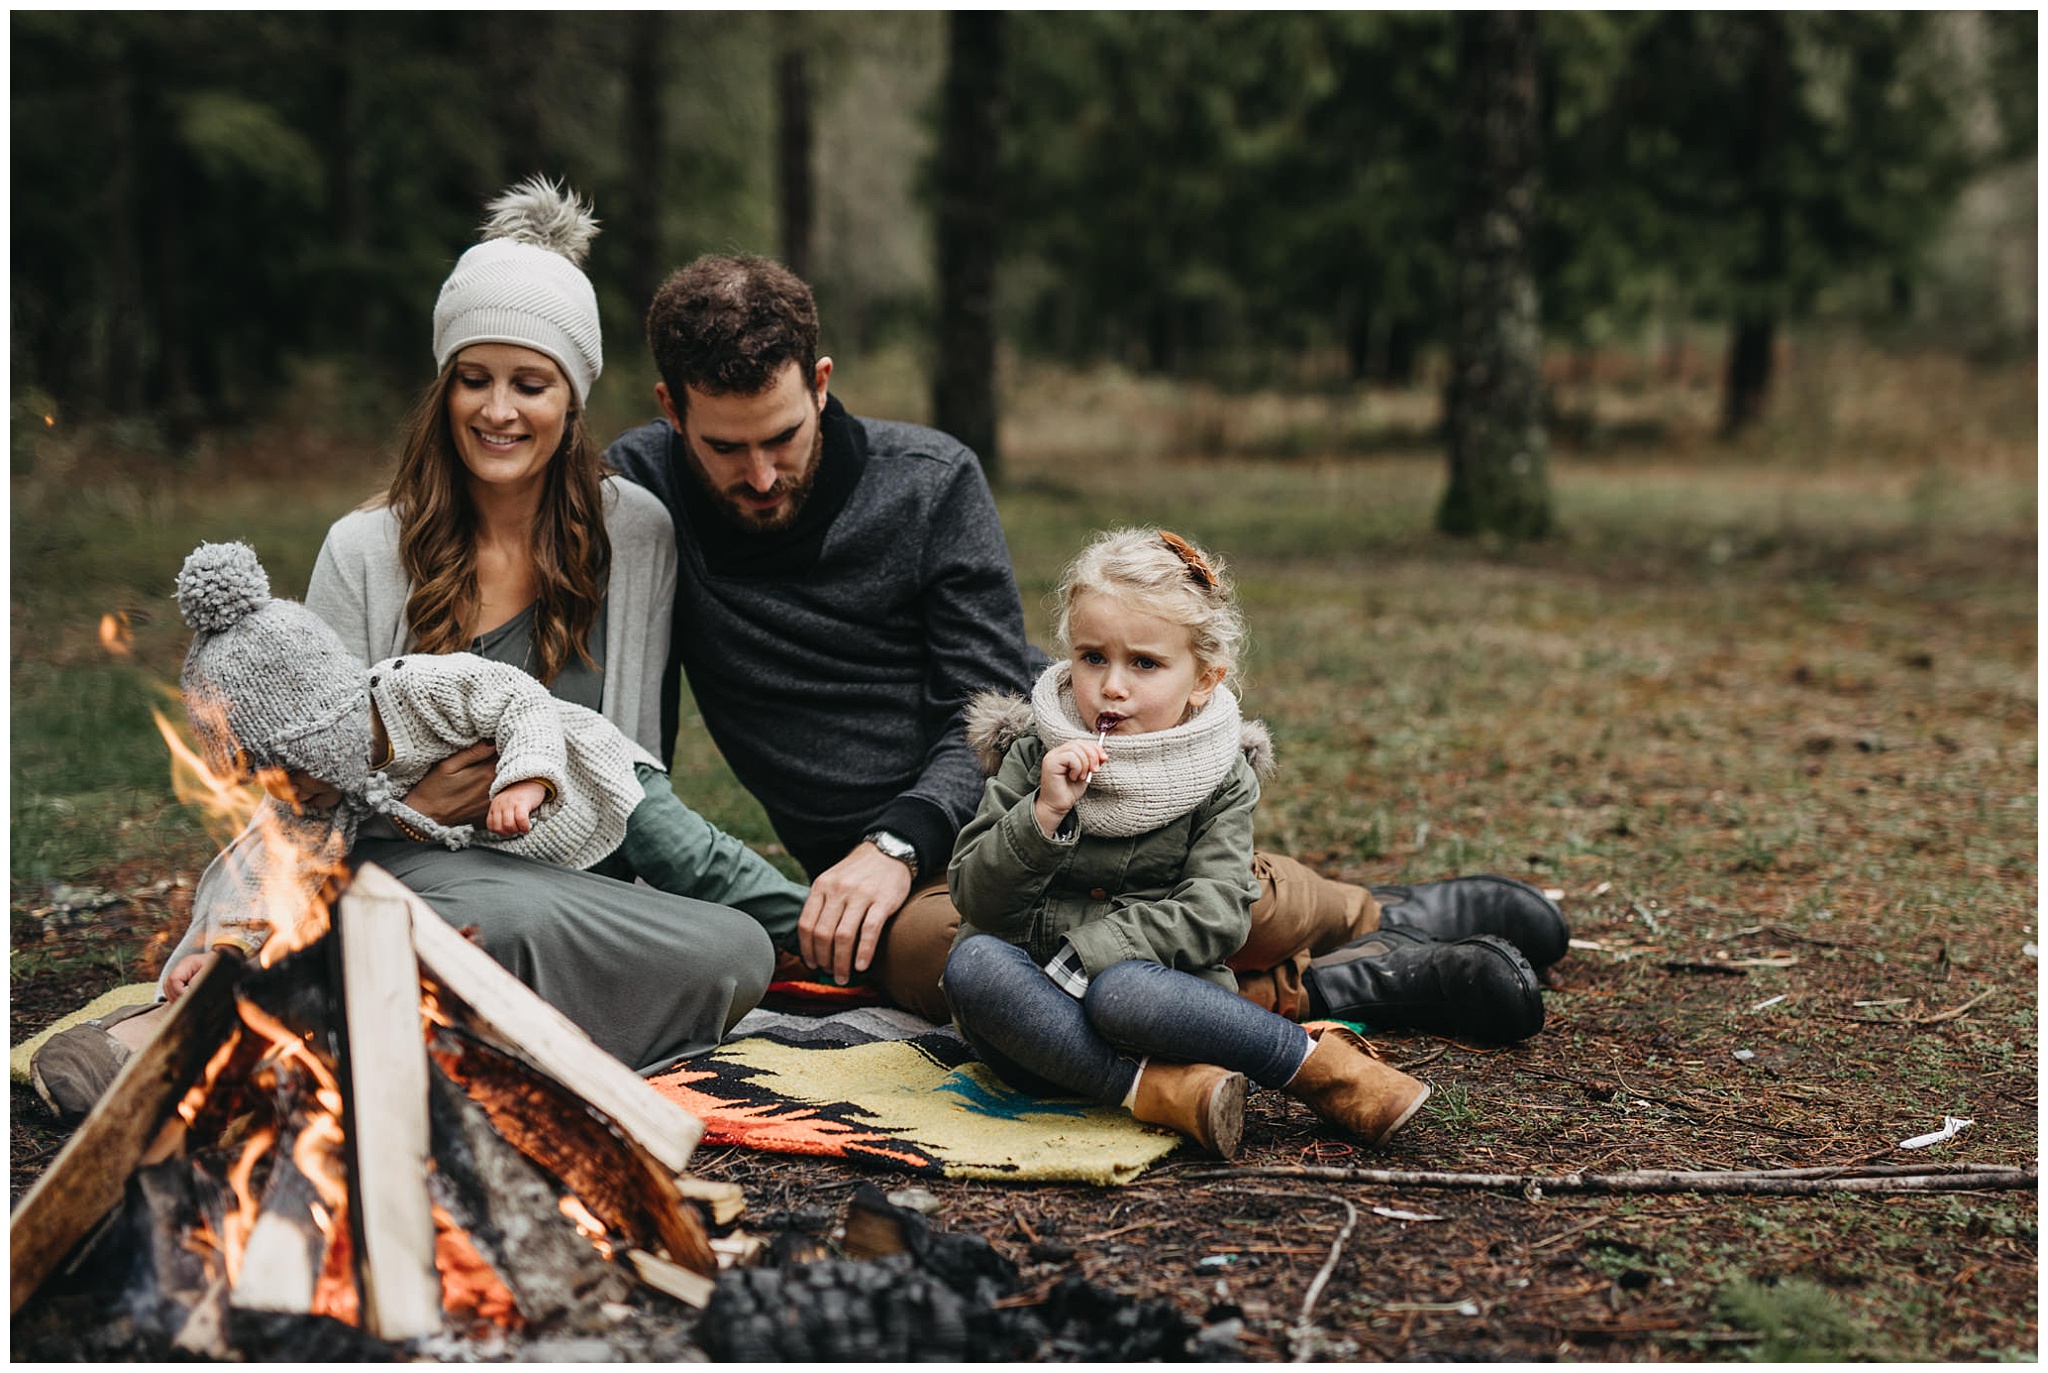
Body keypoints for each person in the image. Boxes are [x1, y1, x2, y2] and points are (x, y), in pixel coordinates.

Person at [603, 253, 1566, 1039]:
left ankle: (1372, 916)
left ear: (820, 384)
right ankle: (1343, 990)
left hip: (1039, 795)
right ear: (670, 407)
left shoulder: (932, 482)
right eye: (724, 450)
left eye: (780, 436)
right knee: (975, 975)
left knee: (1204, 899)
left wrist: (897, 837)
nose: (761, 475)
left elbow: (988, 705)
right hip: (925, 888)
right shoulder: (638, 493)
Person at [944, 529, 1432, 1159]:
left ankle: (1317, 1070)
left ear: (1204, 679)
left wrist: (1092, 953)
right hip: (1032, 1023)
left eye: (1144, 663)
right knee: (973, 965)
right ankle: (1160, 1093)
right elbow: (975, 897)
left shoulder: (1220, 775)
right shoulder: (1035, 752)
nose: (1111, 686)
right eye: (1093, 658)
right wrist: (1042, 814)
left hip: (1158, 1008)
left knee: (1123, 991)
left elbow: (1218, 911)